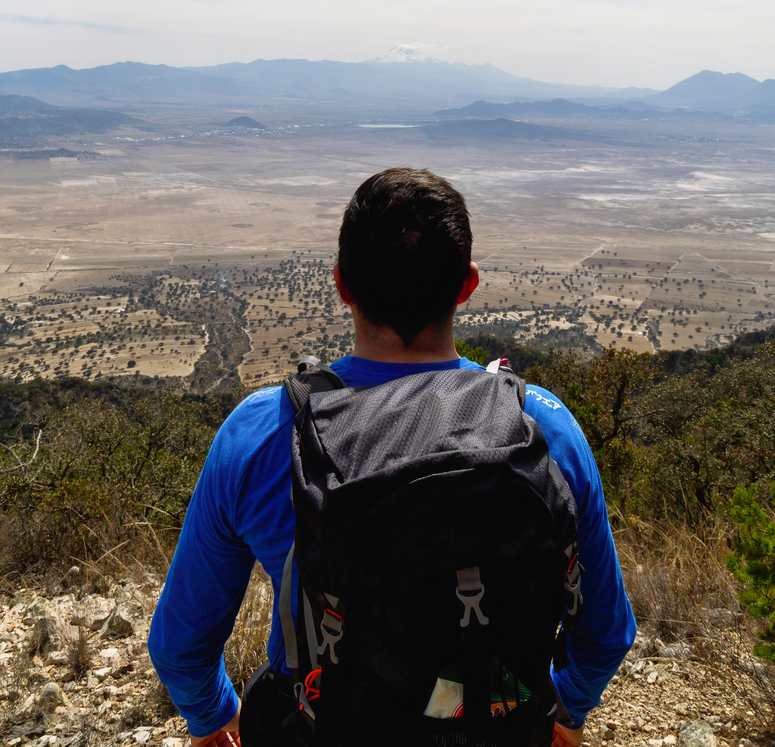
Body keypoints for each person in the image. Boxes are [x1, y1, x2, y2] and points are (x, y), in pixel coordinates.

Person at [149, 168, 636, 746]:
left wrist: (210, 716)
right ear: (467, 285)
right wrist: (567, 709)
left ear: (341, 285)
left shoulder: (263, 432)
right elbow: (605, 631)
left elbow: (179, 644)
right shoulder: (544, 426)